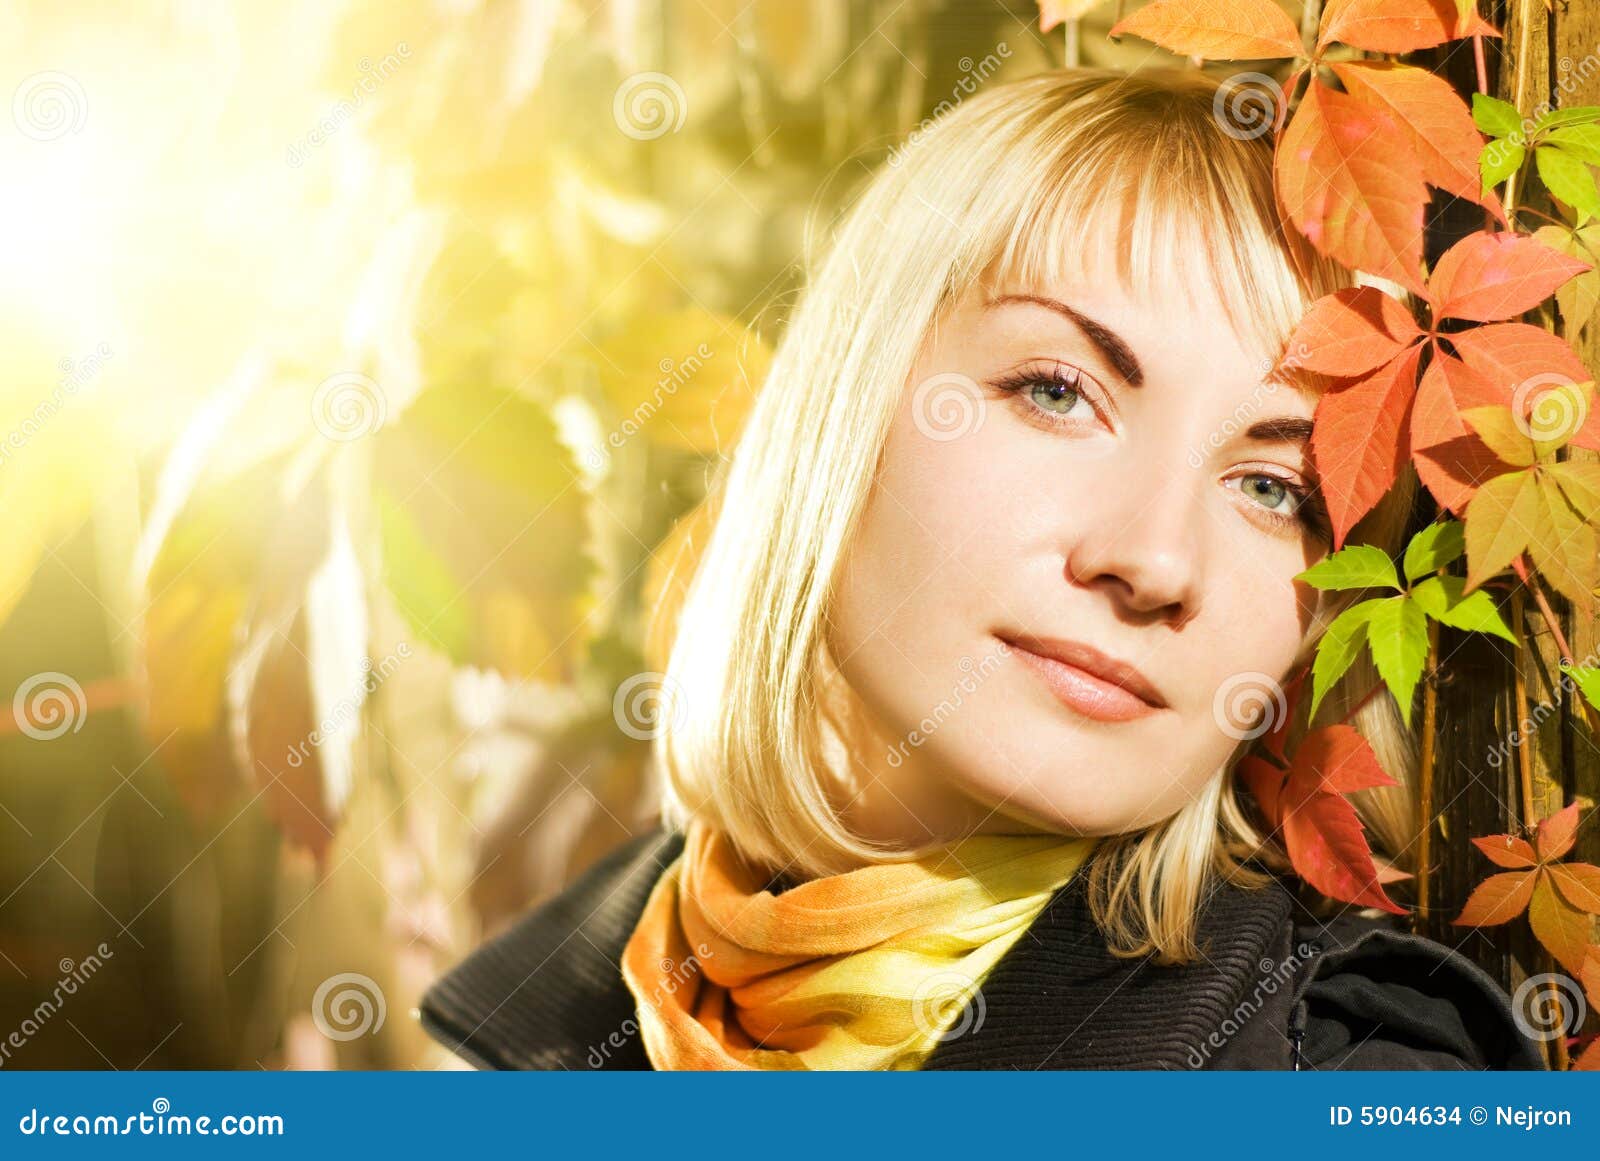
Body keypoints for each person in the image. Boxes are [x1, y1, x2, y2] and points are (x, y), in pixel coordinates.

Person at [420, 67, 1543, 1071]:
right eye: (1057, 392)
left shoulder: (1352, 1080)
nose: (1151, 560)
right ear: (842, 413)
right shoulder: (555, 1009)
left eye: (1272, 489)